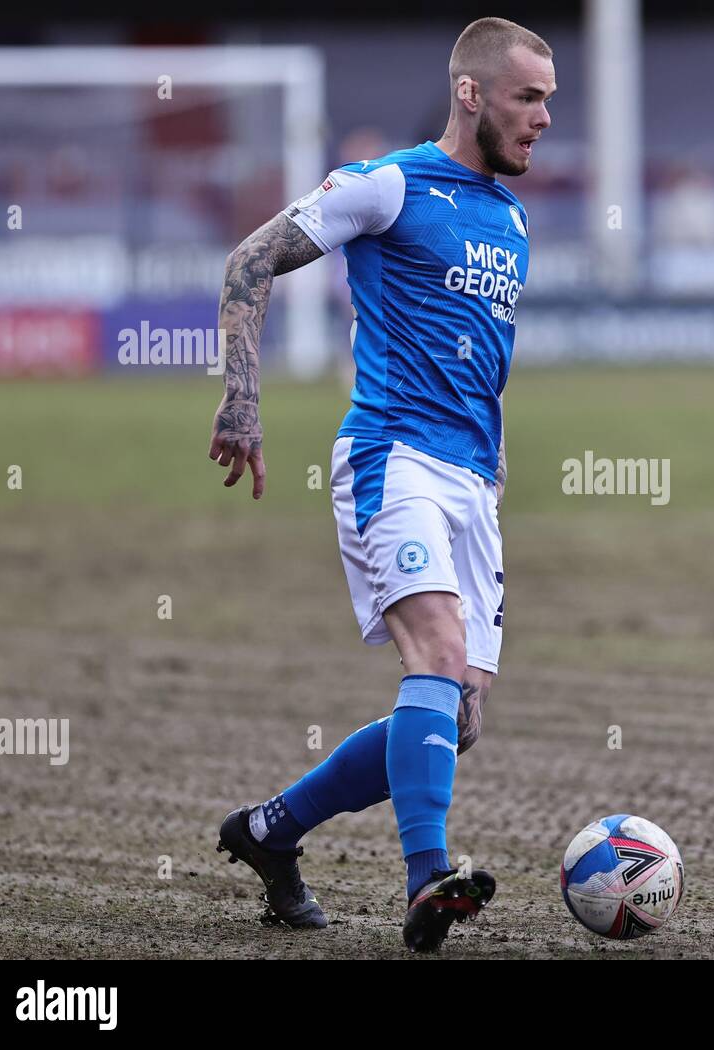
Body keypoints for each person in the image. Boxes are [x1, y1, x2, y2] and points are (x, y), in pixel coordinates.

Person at [207, 16, 555, 952]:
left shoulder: (515, 218)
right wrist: (241, 403)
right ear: (471, 94)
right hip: (390, 458)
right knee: (435, 663)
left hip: (473, 484)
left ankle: (269, 832)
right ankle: (426, 880)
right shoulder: (389, 185)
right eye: (528, 98)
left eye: (550, 101)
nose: (544, 119)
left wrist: (495, 473)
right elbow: (249, 259)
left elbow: (485, 364)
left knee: (459, 715)